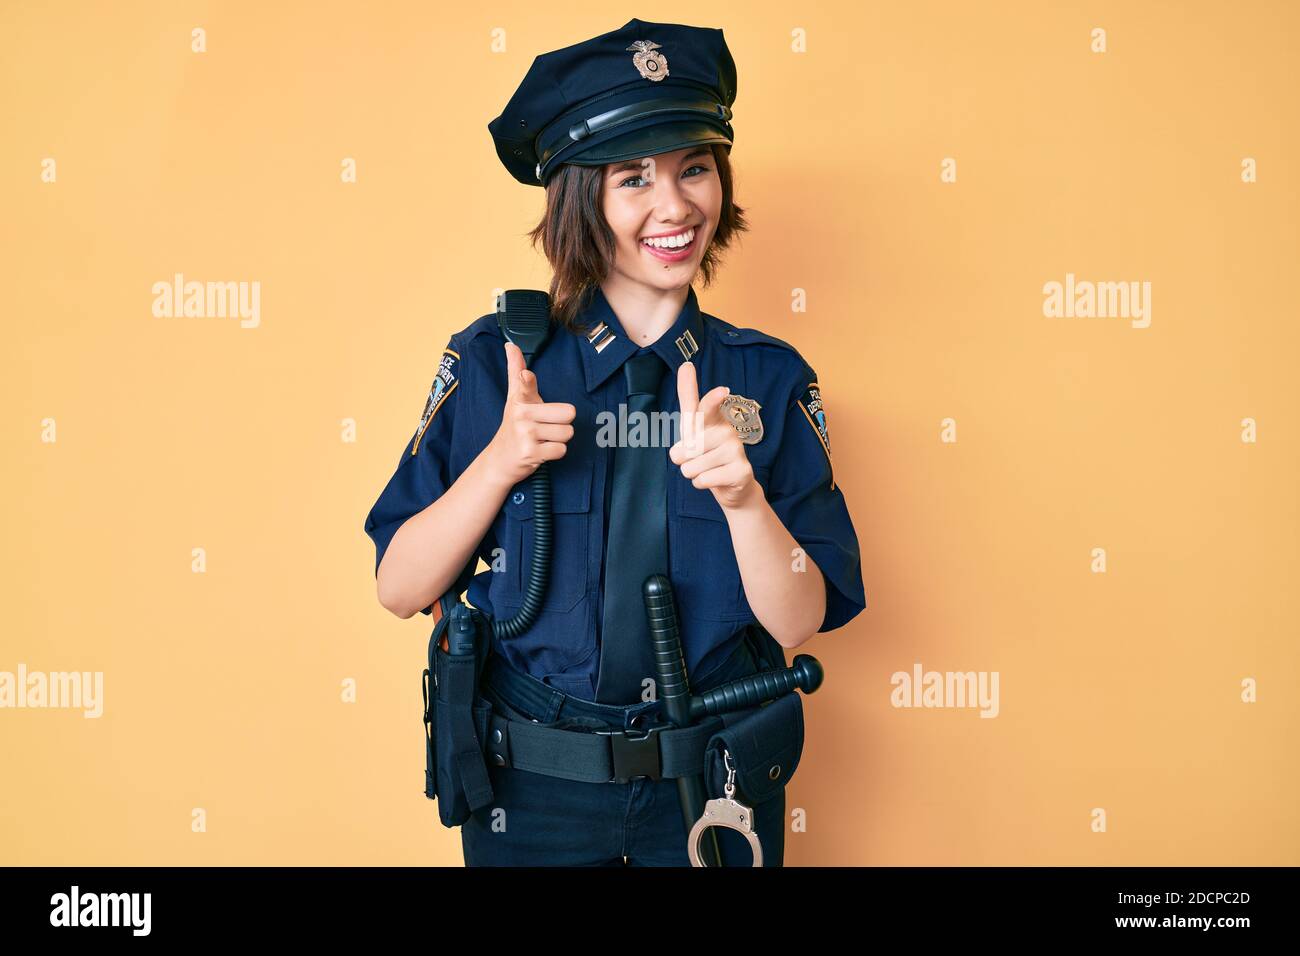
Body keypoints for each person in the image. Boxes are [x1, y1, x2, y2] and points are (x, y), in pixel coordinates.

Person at [363, 17, 866, 866]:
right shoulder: (496, 361)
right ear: (578, 198)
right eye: (633, 178)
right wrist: (498, 464)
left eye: (694, 169)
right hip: (532, 794)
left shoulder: (769, 380)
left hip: (713, 787)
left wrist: (743, 502)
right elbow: (399, 586)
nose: (675, 206)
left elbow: (803, 620)